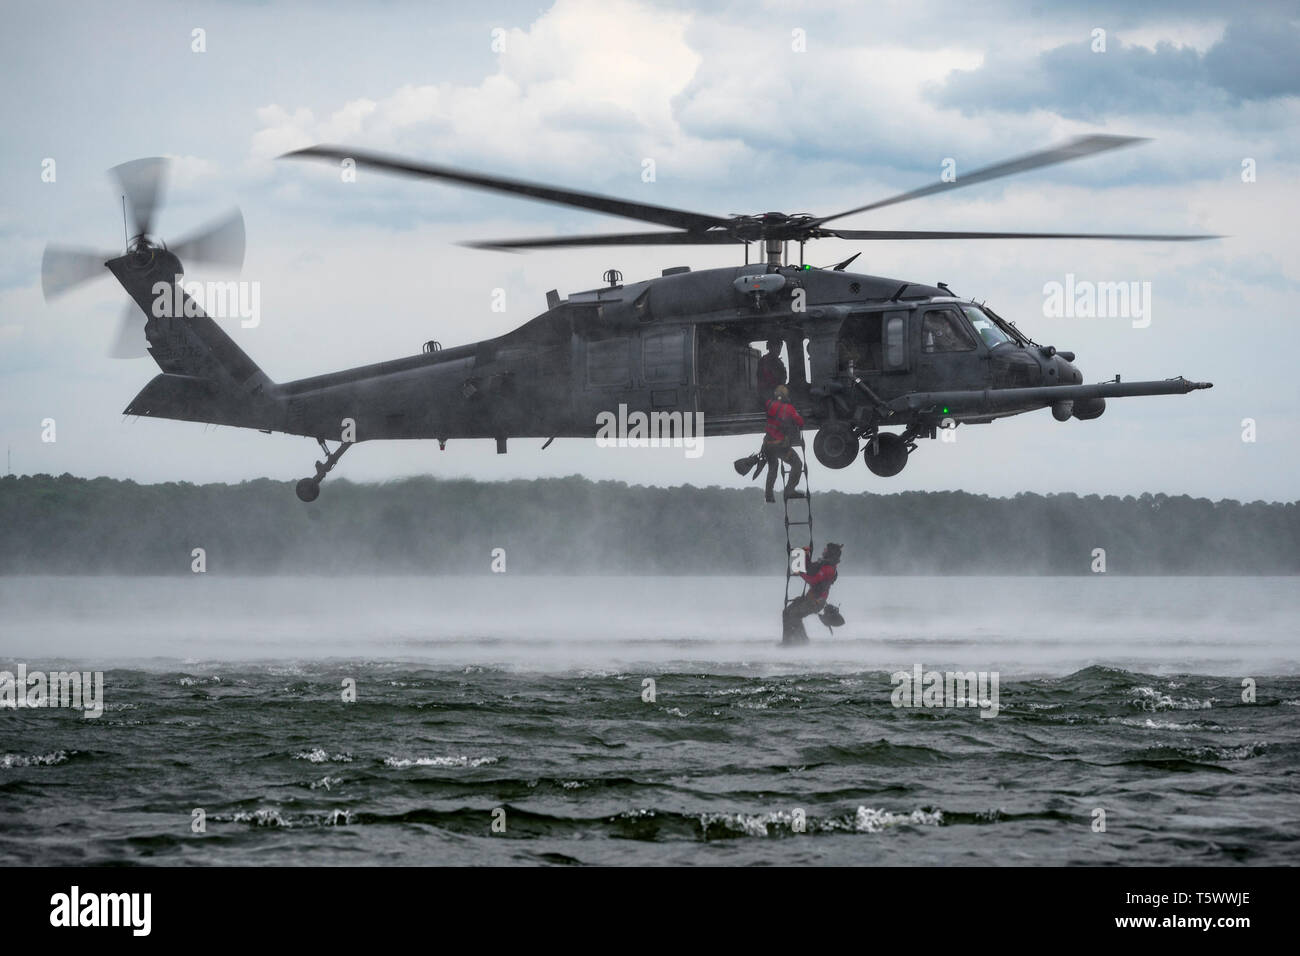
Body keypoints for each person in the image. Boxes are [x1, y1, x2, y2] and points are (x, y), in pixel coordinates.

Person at [783, 542, 842, 644]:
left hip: (816, 602)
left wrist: (801, 573)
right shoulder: (823, 564)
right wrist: (806, 555)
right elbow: (810, 568)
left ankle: (803, 642)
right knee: (786, 613)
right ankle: (788, 641)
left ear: (830, 553)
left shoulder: (828, 568)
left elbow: (812, 580)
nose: (824, 550)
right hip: (810, 598)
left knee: (794, 615)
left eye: (826, 549)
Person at [762, 384, 805, 503]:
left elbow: (768, 404)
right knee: (797, 464)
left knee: (772, 468)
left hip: (767, 445)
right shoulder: (789, 409)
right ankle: (789, 490)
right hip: (779, 446)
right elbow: (800, 422)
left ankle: (769, 495)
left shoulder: (769, 404)